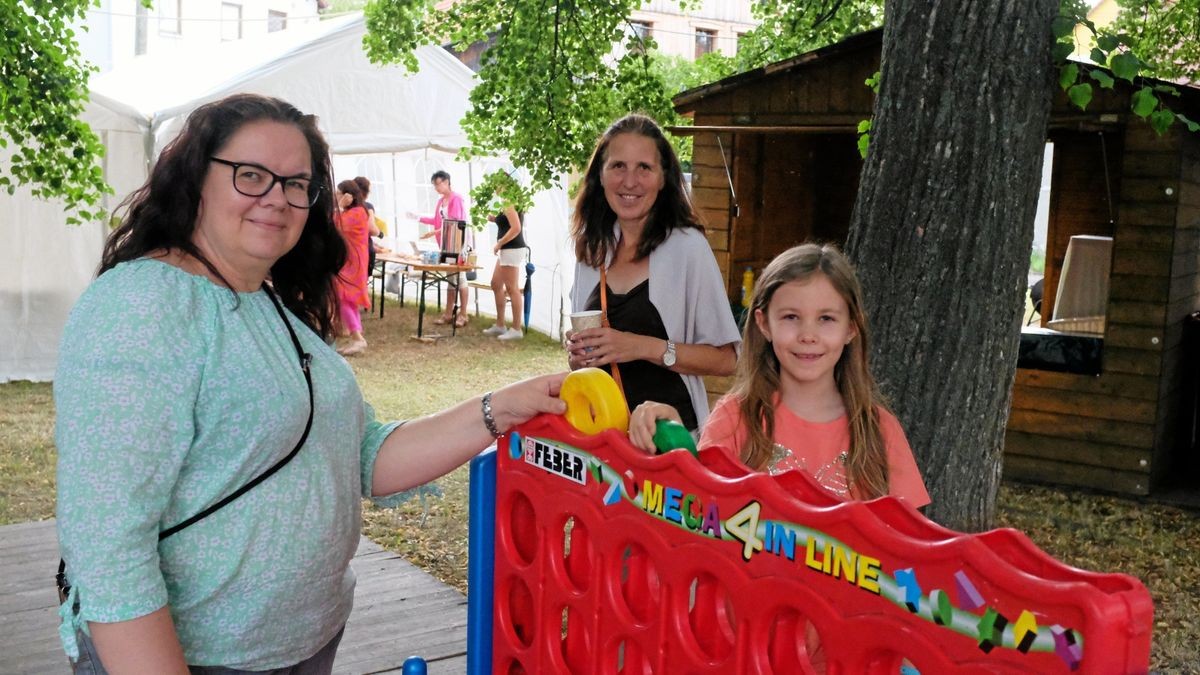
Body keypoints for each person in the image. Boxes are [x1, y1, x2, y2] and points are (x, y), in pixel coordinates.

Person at [53, 93, 567, 675]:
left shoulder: (267, 301)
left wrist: (504, 404)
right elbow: (108, 547)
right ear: (196, 177)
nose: (278, 197)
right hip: (199, 659)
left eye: (297, 183)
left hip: (302, 644)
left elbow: (361, 457)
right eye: (252, 176)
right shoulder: (142, 305)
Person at [628, 243, 930, 509]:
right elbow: (698, 513)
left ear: (851, 327)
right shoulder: (735, 419)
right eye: (790, 317)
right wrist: (672, 442)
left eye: (826, 318)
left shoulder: (880, 431)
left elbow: (908, 556)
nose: (808, 335)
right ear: (764, 324)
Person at [566, 113, 740, 432]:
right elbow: (589, 358)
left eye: (644, 167)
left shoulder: (688, 248)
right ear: (600, 176)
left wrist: (639, 346)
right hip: (601, 438)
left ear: (663, 178)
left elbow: (727, 360)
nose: (629, 181)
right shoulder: (590, 248)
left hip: (668, 442)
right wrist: (579, 357)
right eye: (618, 166)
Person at [407, 170, 470, 327]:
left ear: (447, 182)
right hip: (446, 244)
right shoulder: (441, 201)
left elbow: (456, 222)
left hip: (458, 243)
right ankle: (448, 313)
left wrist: (435, 232)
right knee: (450, 278)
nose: (436, 187)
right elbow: (437, 221)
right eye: (434, 185)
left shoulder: (457, 199)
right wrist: (417, 217)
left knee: (460, 277)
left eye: (439, 183)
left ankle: (463, 314)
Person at [334, 178, 371, 355]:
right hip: (350, 260)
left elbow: (334, 226)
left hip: (353, 262)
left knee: (344, 295)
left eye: (339, 194)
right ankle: (356, 336)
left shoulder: (356, 213)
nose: (337, 197)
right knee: (348, 298)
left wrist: (340, 206)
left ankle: (357, 338)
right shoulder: (356, 211)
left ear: (348, 196)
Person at [482, 199, 527, 341]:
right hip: (507, 249)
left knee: (512, 288)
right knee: (496, 284)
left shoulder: (509, 202)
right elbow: (508, 223)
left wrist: (499, 243)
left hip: (511, 249)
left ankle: (516, 329)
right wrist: (495, 219)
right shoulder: (507, 202)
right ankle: (500, 324)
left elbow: (516, 228)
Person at [353, 175, 384, 273]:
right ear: (366, 191)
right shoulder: (366, 206)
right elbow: (371, 228)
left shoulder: (344, 206)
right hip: (362, 251)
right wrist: (380, 233)